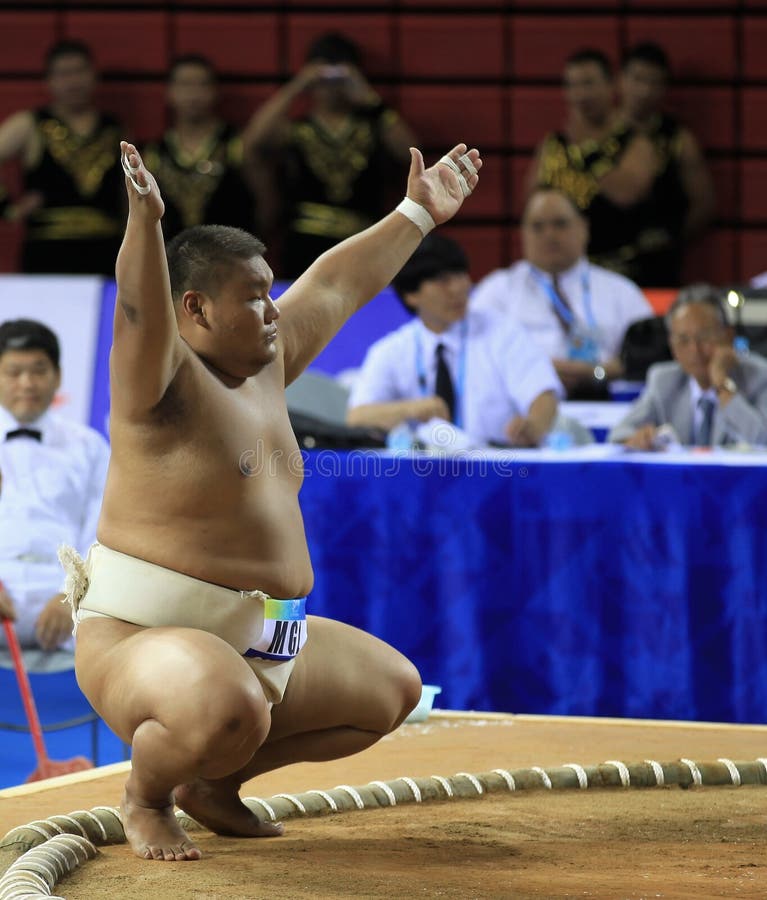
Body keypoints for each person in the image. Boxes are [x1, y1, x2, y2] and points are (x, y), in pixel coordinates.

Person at [63, 136, 481, 862]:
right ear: (192, 308)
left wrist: (416, 212)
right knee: (227, 707)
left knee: (391, 692)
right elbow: (137, 309)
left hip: (265, 637)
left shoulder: (268, 358)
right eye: (251, 298)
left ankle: (214, 787)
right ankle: (148, 795)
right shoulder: (156, 384)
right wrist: (144, 223)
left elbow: (336, 284)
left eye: (268, 291)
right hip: (140, 635)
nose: (270, 309)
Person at [346, 233, 562, 447]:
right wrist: (412, 410)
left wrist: (534, 425)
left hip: (497, 466)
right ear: (411, 294)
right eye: (443, 280)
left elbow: (543, 393)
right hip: (423, 471)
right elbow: (357, 416)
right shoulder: (391, 351)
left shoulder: (502, 332)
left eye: (461, 275)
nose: (459, 288)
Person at [243, 32, 418, 278]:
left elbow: (409, 152)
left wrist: (369, 97)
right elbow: (251, 144)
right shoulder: (298, 129)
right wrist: (297, 87)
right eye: (323, 78)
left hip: (363, 239)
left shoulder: (373, 125)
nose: (331, 88)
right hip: (304, 243)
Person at [471, 186, 652, 399]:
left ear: (584, 228)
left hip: (607, 405)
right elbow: (473, 358)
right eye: (538, 227)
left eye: (560, 224)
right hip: (520, 409)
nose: (549, 235)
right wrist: (534, 371)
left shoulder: (621, 291)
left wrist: (597, 373)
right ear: (523, 234)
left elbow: (650, 360)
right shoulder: (497, 291)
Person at [0, 319, 109, 651]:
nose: (26, 383)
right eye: (13, 372)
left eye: (38, 371)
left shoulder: (90, 447)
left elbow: (103, 530)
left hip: (62, 595)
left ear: (58, 377)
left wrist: (71, 595)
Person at [525, 48, 659, 286]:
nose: (580, 95)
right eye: (573, 86)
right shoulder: (553, 145)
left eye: (588, 84)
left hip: (621, 271)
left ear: (611, 85)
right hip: (563, 272)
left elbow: (627, 195)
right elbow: (532, 205)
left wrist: (590, 158)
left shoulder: (635, 142)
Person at [0, 39, 124, 275]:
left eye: (79, 71)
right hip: (48, 251)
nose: (73, 81)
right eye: (64, 74)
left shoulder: (115, 129)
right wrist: (7, 209)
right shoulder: (29, 124)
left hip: (107, 249)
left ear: (93, 75)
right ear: (49, 80)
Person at [609, 285, 767, 449]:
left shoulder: (759, 375)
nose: (695, 350)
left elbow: (763, 439)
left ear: (728, 335)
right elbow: (619, 433)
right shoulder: (664, 380)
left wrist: (722, 384)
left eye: (704, 336)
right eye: (683, 340)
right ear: (672, 345)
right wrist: (639, 439)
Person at [617, 42, 716, 287]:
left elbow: (704, 204)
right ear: (621, 80)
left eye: (654, 82)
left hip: (656, 270)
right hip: (597, 266)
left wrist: (671, 237)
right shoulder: (589, 138)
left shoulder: (679, 140)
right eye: (638, 79)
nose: (644, 91)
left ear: (664, 87)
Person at [141, 55, 258, 244]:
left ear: (215, 91)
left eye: (202, 85)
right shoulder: (154, 153)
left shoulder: (236, 145)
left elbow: (266, 208)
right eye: (185, 85)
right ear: (169, 92)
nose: (193, 94)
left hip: (230, 259)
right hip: (173, 260)